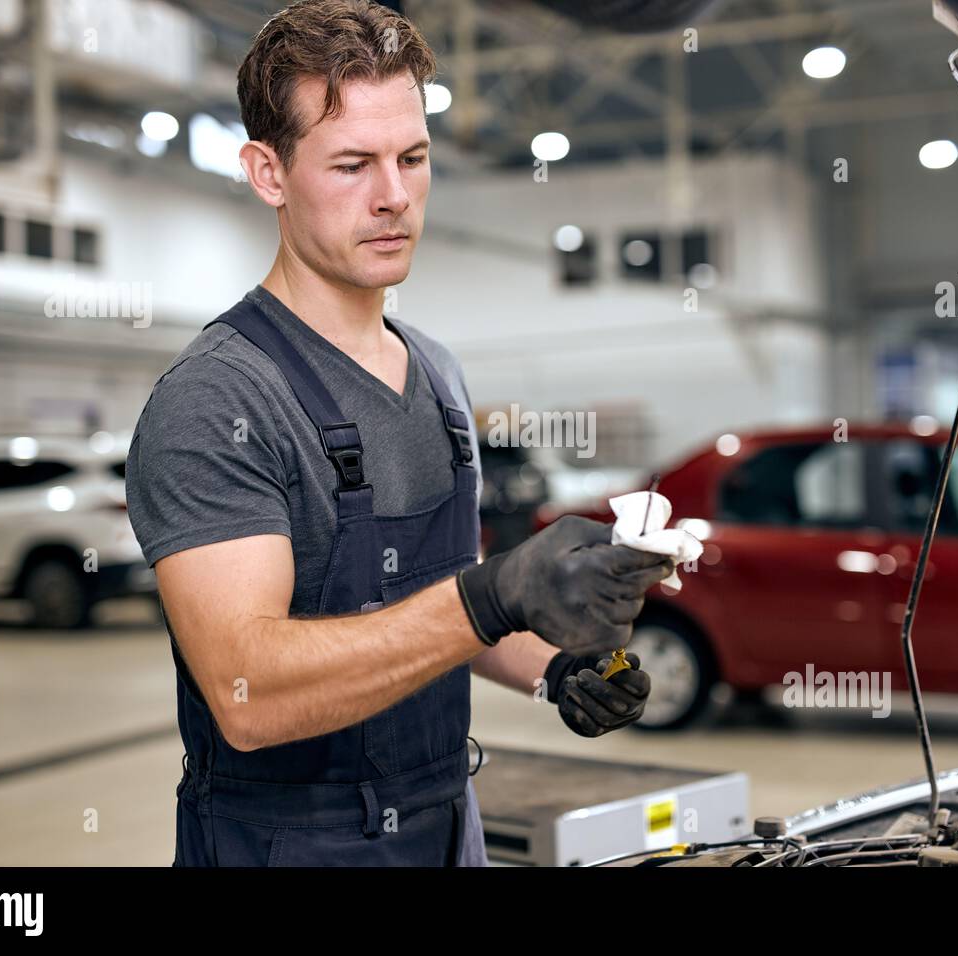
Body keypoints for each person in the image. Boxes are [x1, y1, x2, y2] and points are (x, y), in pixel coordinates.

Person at [125, 0, 674, 867]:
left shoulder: (438, 374)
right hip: (289, 847)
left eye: (412, 158)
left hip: (447, 823)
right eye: (351, 165)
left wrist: (551, 663)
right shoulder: (217, 402)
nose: (392, 197)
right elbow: (247, 693)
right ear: (267, 173)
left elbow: (426, 600)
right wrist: (488, 598)